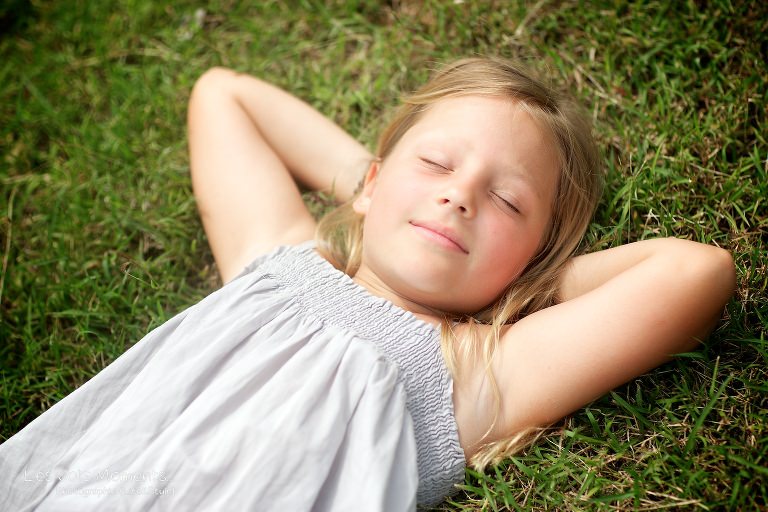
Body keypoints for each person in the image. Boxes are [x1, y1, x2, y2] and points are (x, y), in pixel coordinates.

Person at [0, 57, 735, 510]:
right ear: (373, 182)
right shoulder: (279, 261)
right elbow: (226, 95)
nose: (459, 196)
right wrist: (375, 187)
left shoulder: (474, 373)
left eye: (508, 201)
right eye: (437, 164)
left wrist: (527, 280)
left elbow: (695, 271)